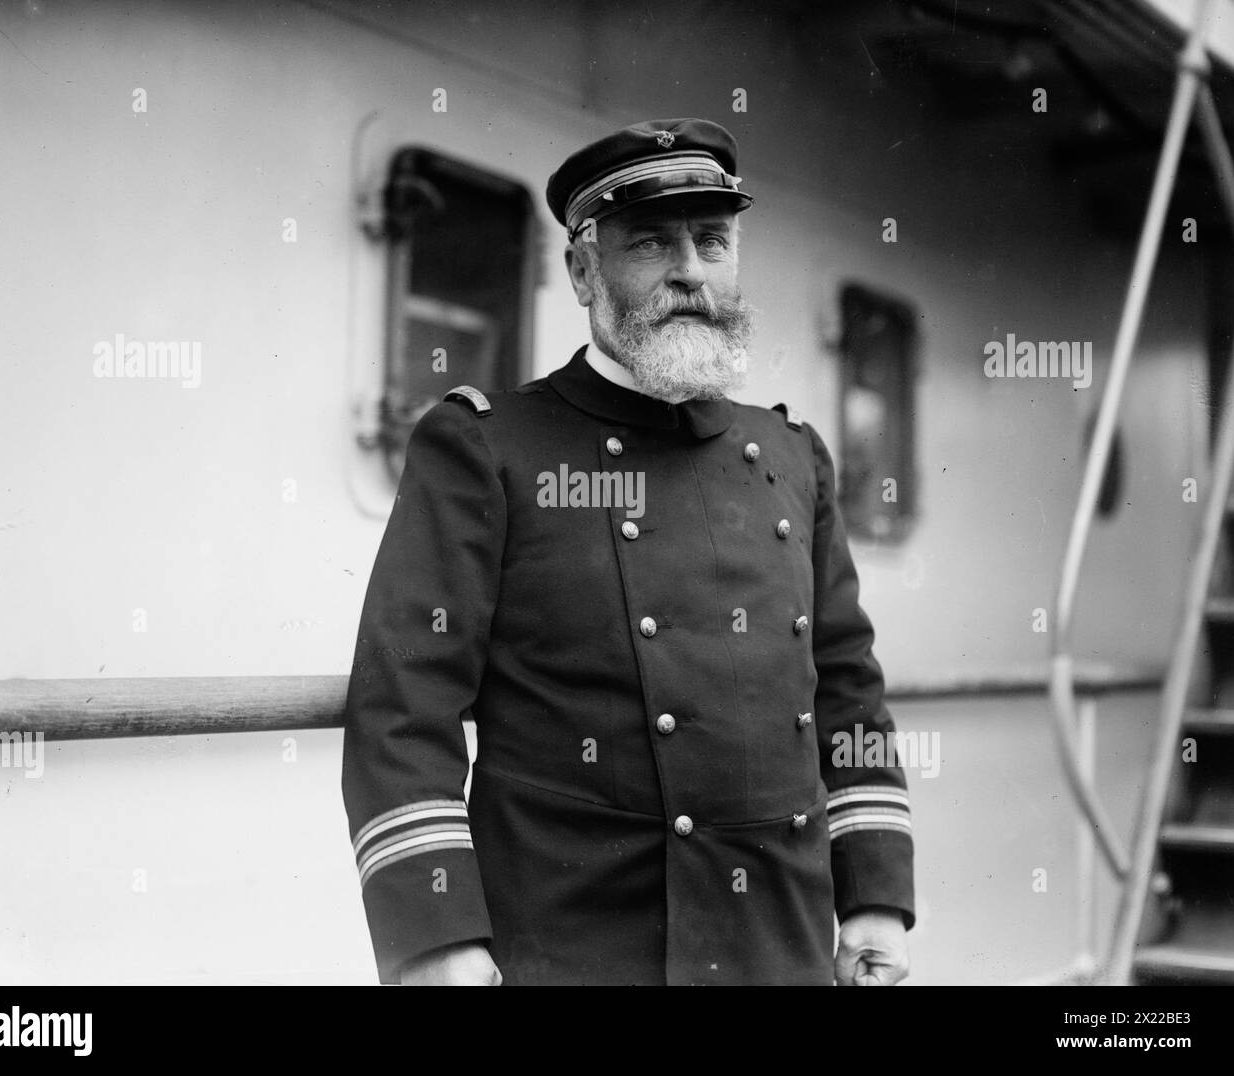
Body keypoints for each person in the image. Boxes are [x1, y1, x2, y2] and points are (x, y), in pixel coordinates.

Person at [341, 118, 914, 986]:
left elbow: (848, 693)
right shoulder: (488, 449)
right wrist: (437, 939)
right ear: (582, 269)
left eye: (711, 241)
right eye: (651, 242)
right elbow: (404, 703)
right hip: (577, 948)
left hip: (781, 945)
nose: (689, 270)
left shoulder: (793, 457)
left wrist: (872, 895)